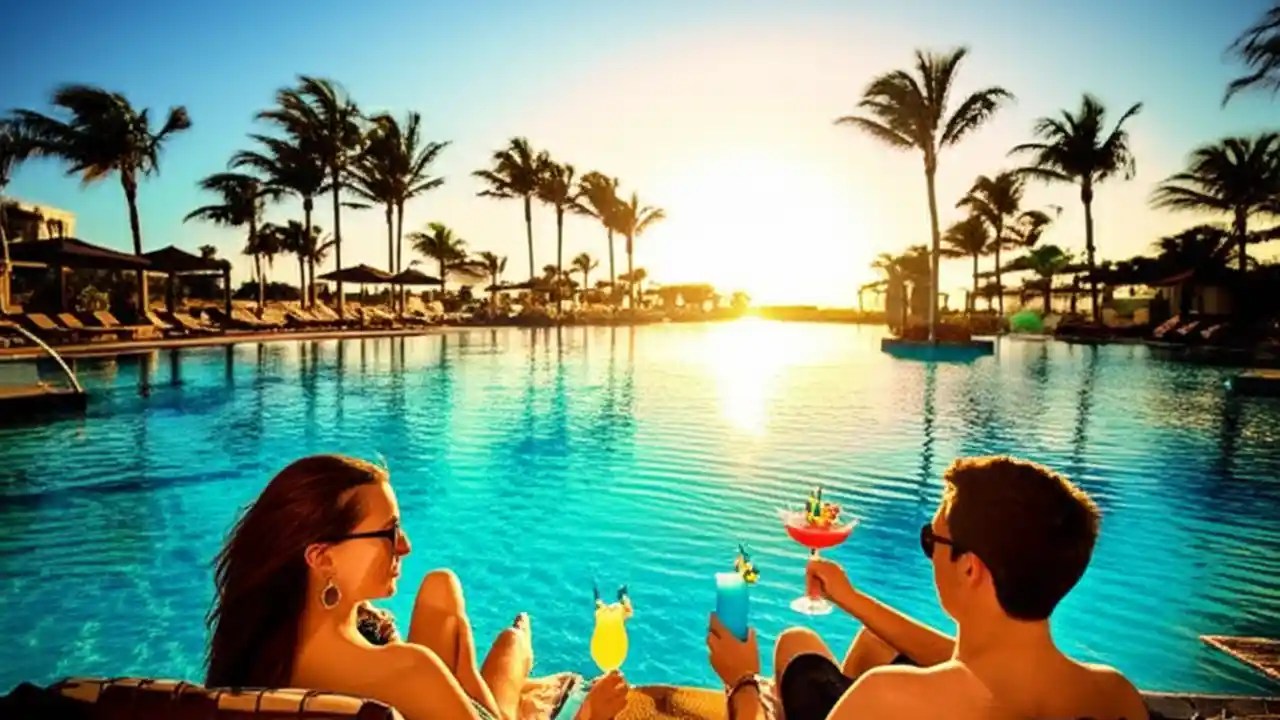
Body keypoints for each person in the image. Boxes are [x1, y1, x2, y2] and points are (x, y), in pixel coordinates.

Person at [707, 456, 1149, 720]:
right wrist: (854, 600)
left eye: (930, 540)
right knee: (871, 642)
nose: (930, 553)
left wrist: (742, 681)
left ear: (971, 569)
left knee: (795, 642)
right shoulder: (1117, 696)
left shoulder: (887, 698)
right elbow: (988, 664)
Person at [206, 454, 629, 720]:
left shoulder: (256, 655)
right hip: (458, 703)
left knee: (440, 586)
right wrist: (593, 715)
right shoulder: (410, 671)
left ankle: (509, 653)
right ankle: (513, 658)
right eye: (388, 533)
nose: (404, 546)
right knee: (506, 653)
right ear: (322, 557)